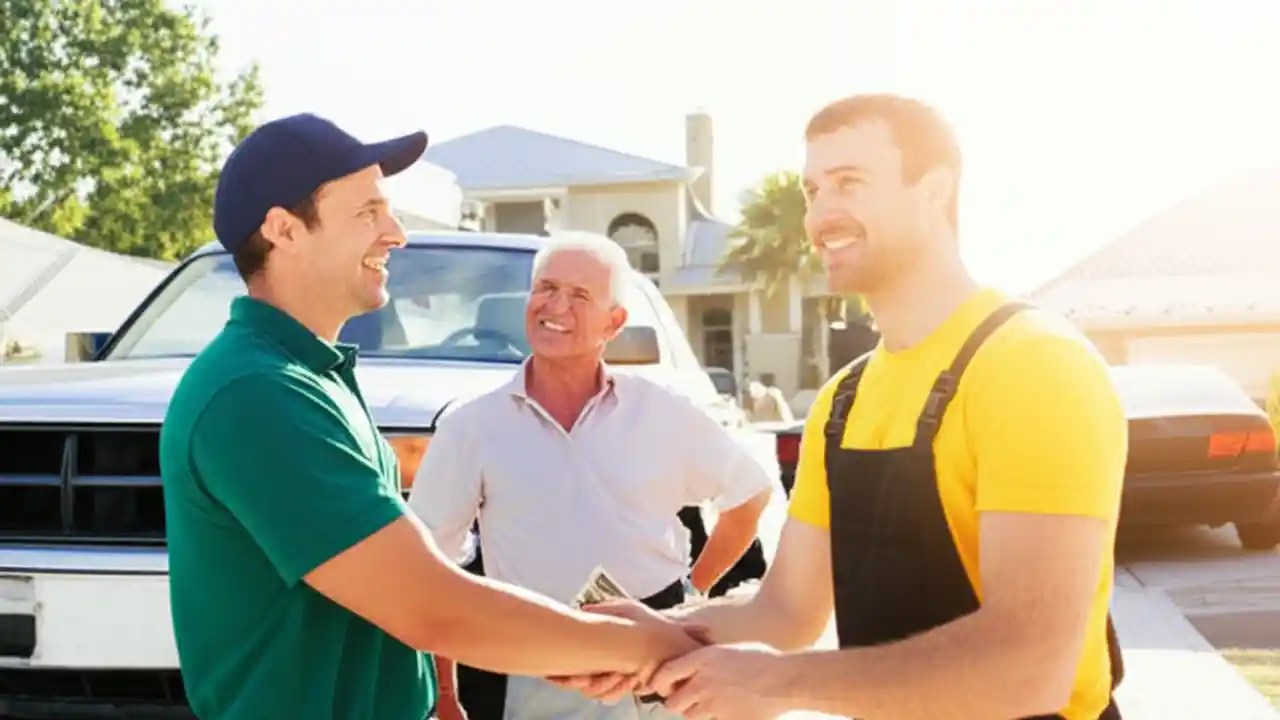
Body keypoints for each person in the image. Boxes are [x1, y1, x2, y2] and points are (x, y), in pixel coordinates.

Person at [559, 93, 1129, 720]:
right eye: (812, 191)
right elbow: (788, 611)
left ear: (934, 190)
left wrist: (772, 685)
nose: (823, 214)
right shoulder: (845, 400)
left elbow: (1029, 669)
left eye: (849, 184)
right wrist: (656, 633)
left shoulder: (1031, 365)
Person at [158, 114, 703, 720]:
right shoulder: (256, 393)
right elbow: (431, 605)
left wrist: (437, 694)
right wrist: (639, 644)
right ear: (284, 230)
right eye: (367, 213)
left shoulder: (308, 375)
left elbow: (394, 589)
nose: (395, 234)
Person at [407, 232, 774, 720]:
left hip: (654, 673)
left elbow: (749, 495)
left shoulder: (662, 412)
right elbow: (431, 570)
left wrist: (690, 597)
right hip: (532, 671)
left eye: (580, 296)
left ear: (615, 322)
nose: (556, 306)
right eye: (546, 288)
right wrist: (448, 696)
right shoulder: (470, 427)